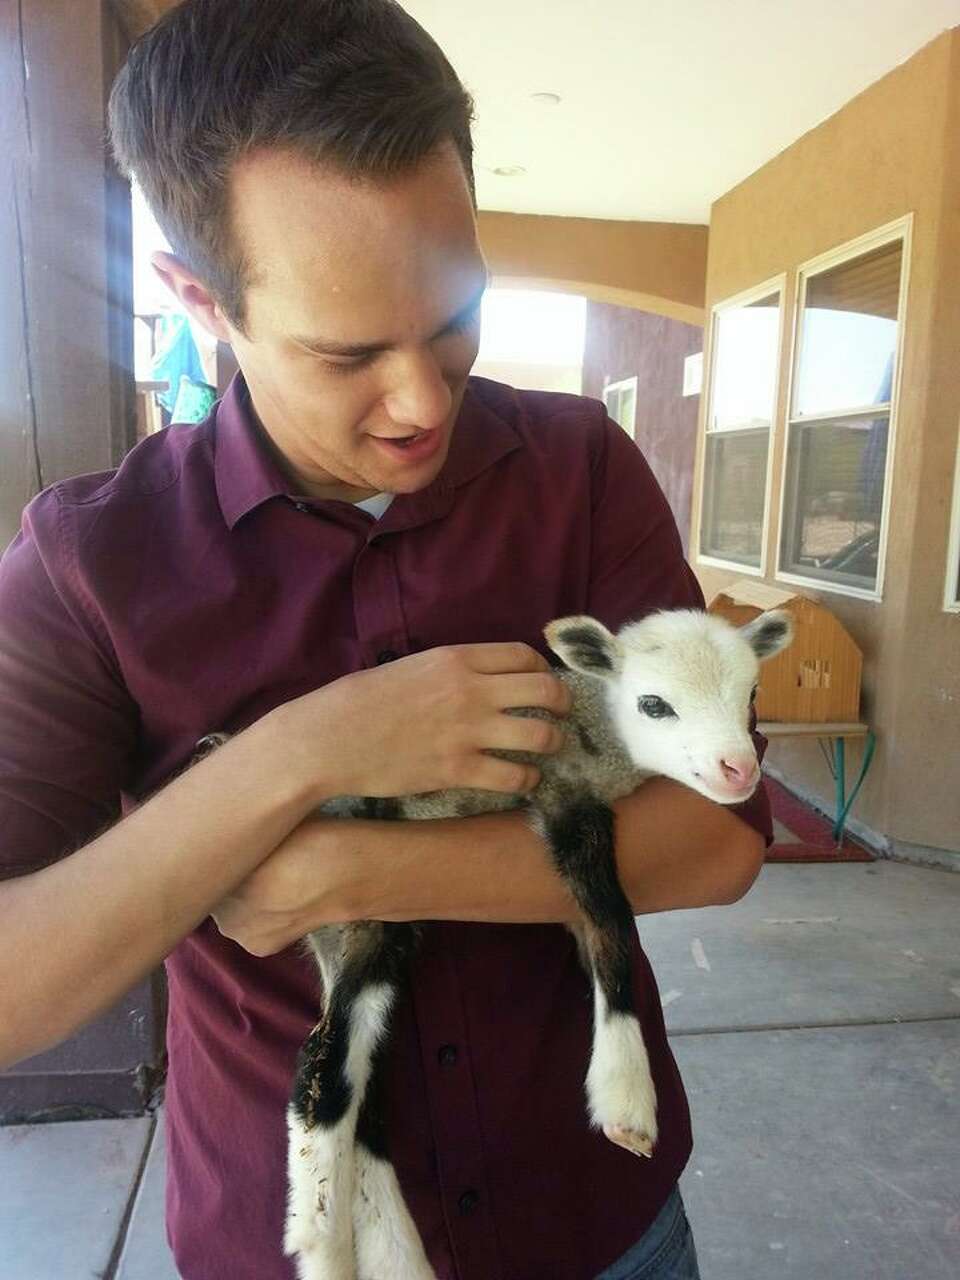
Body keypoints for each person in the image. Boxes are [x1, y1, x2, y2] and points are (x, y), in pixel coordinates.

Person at [0, 2, 772, 1276]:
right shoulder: (92, 563)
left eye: (455, 315)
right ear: (201, 298)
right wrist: (296, 753)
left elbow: (716, 836)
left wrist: (354, 869)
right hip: (287, 1233)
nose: (423, 399)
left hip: (596, 1212)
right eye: (347, 351)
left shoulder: (578, 469)